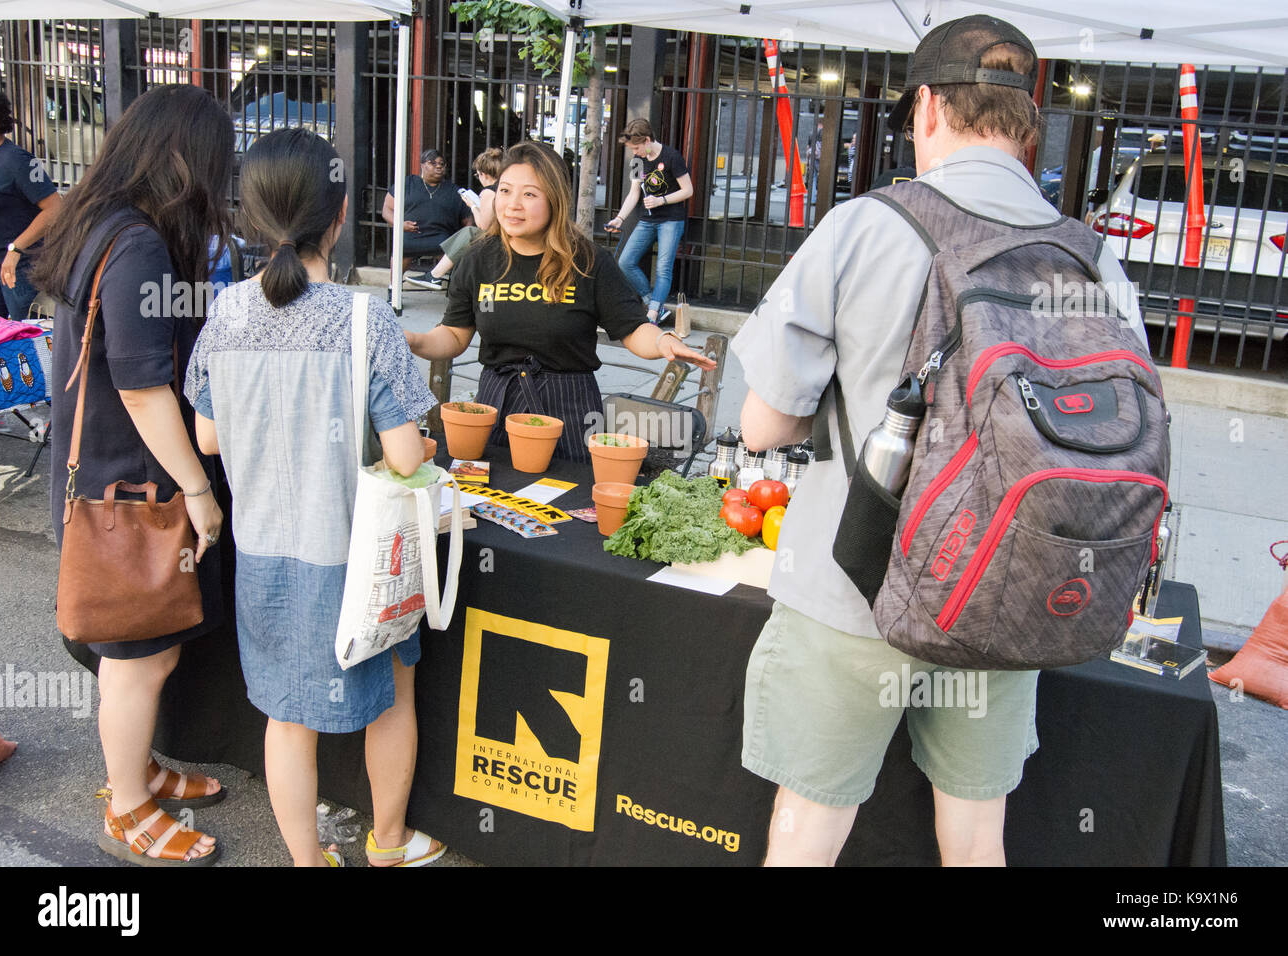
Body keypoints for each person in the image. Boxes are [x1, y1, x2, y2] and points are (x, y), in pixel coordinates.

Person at [731, 15, 1149, 867]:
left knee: (808, 827)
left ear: (926, 109)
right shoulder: (1091, 258)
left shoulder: (863, 227)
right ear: (1027, 125)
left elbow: (764, 424)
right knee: (975, 835)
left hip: (855, 590)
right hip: (1007, 589)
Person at [186, 128, 445, 868]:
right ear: (336, 217)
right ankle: (389, 844)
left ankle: (307, 862)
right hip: (356, 555)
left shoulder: (227, 312)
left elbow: (207, 437)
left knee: (284, 717)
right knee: (393, 694)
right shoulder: (366, 319)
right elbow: (405, 454)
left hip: (264, 551)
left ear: (253, 216)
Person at [35, 85, 233, 866]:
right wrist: (198, 489)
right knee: (138, 657)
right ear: (186, 161)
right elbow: (143, 384)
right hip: (131, 485)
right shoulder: (140, 243)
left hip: (102, 479)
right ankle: (127, 806)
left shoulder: (100, 224)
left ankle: (137, 766)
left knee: (140, 651)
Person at [407, 139, 714, 462]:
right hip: (498, 408)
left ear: (554, 199)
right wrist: (414, 340)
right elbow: (454, 335)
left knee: (570, 504)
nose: (512, 205)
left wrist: (664, 340)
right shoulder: (478, 258)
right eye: (506, 191)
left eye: (529, 194)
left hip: (571, 410)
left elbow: (633, 328)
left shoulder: (587, 260)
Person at [606, 119, 693, 325]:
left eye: (636, 147)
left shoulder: (671, 157)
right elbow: (634, 192)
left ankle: (652, 314)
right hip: (647, 219)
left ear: (647, 140)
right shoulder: (637, 161)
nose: (635, 152)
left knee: (663, 268)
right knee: (625, 262)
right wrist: (619, 219)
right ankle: (653, 303)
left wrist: (661, 200)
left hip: (671, 219)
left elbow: (688, 190)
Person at [0, 89, 62, 320]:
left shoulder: (18, 161)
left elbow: (55, 209)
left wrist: (16, 249)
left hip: (20, 266)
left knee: (27, 338)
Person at [405, 146, 503, 290]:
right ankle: (435, 276)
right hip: (504, 236)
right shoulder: (503, 189)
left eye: (477, 175)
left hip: (495, 240)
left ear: (484, 174)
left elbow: (483, 225)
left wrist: (473, 206)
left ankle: (435, 276)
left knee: (470, 232)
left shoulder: (488, 192)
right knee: (467, 233)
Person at [382, 148, 472, 270]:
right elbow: (387, 209)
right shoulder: (407, 183)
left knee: (451, 251)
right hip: (411, 234)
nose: (438, 167)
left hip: (441, 236)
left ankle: (448, 284)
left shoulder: (453, 190)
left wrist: (460, 240)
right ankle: (394, 285)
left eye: (441, 164)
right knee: (400, 246)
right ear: (423, 165)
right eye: (433, 163)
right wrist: (399, 224)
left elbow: (468, 220)